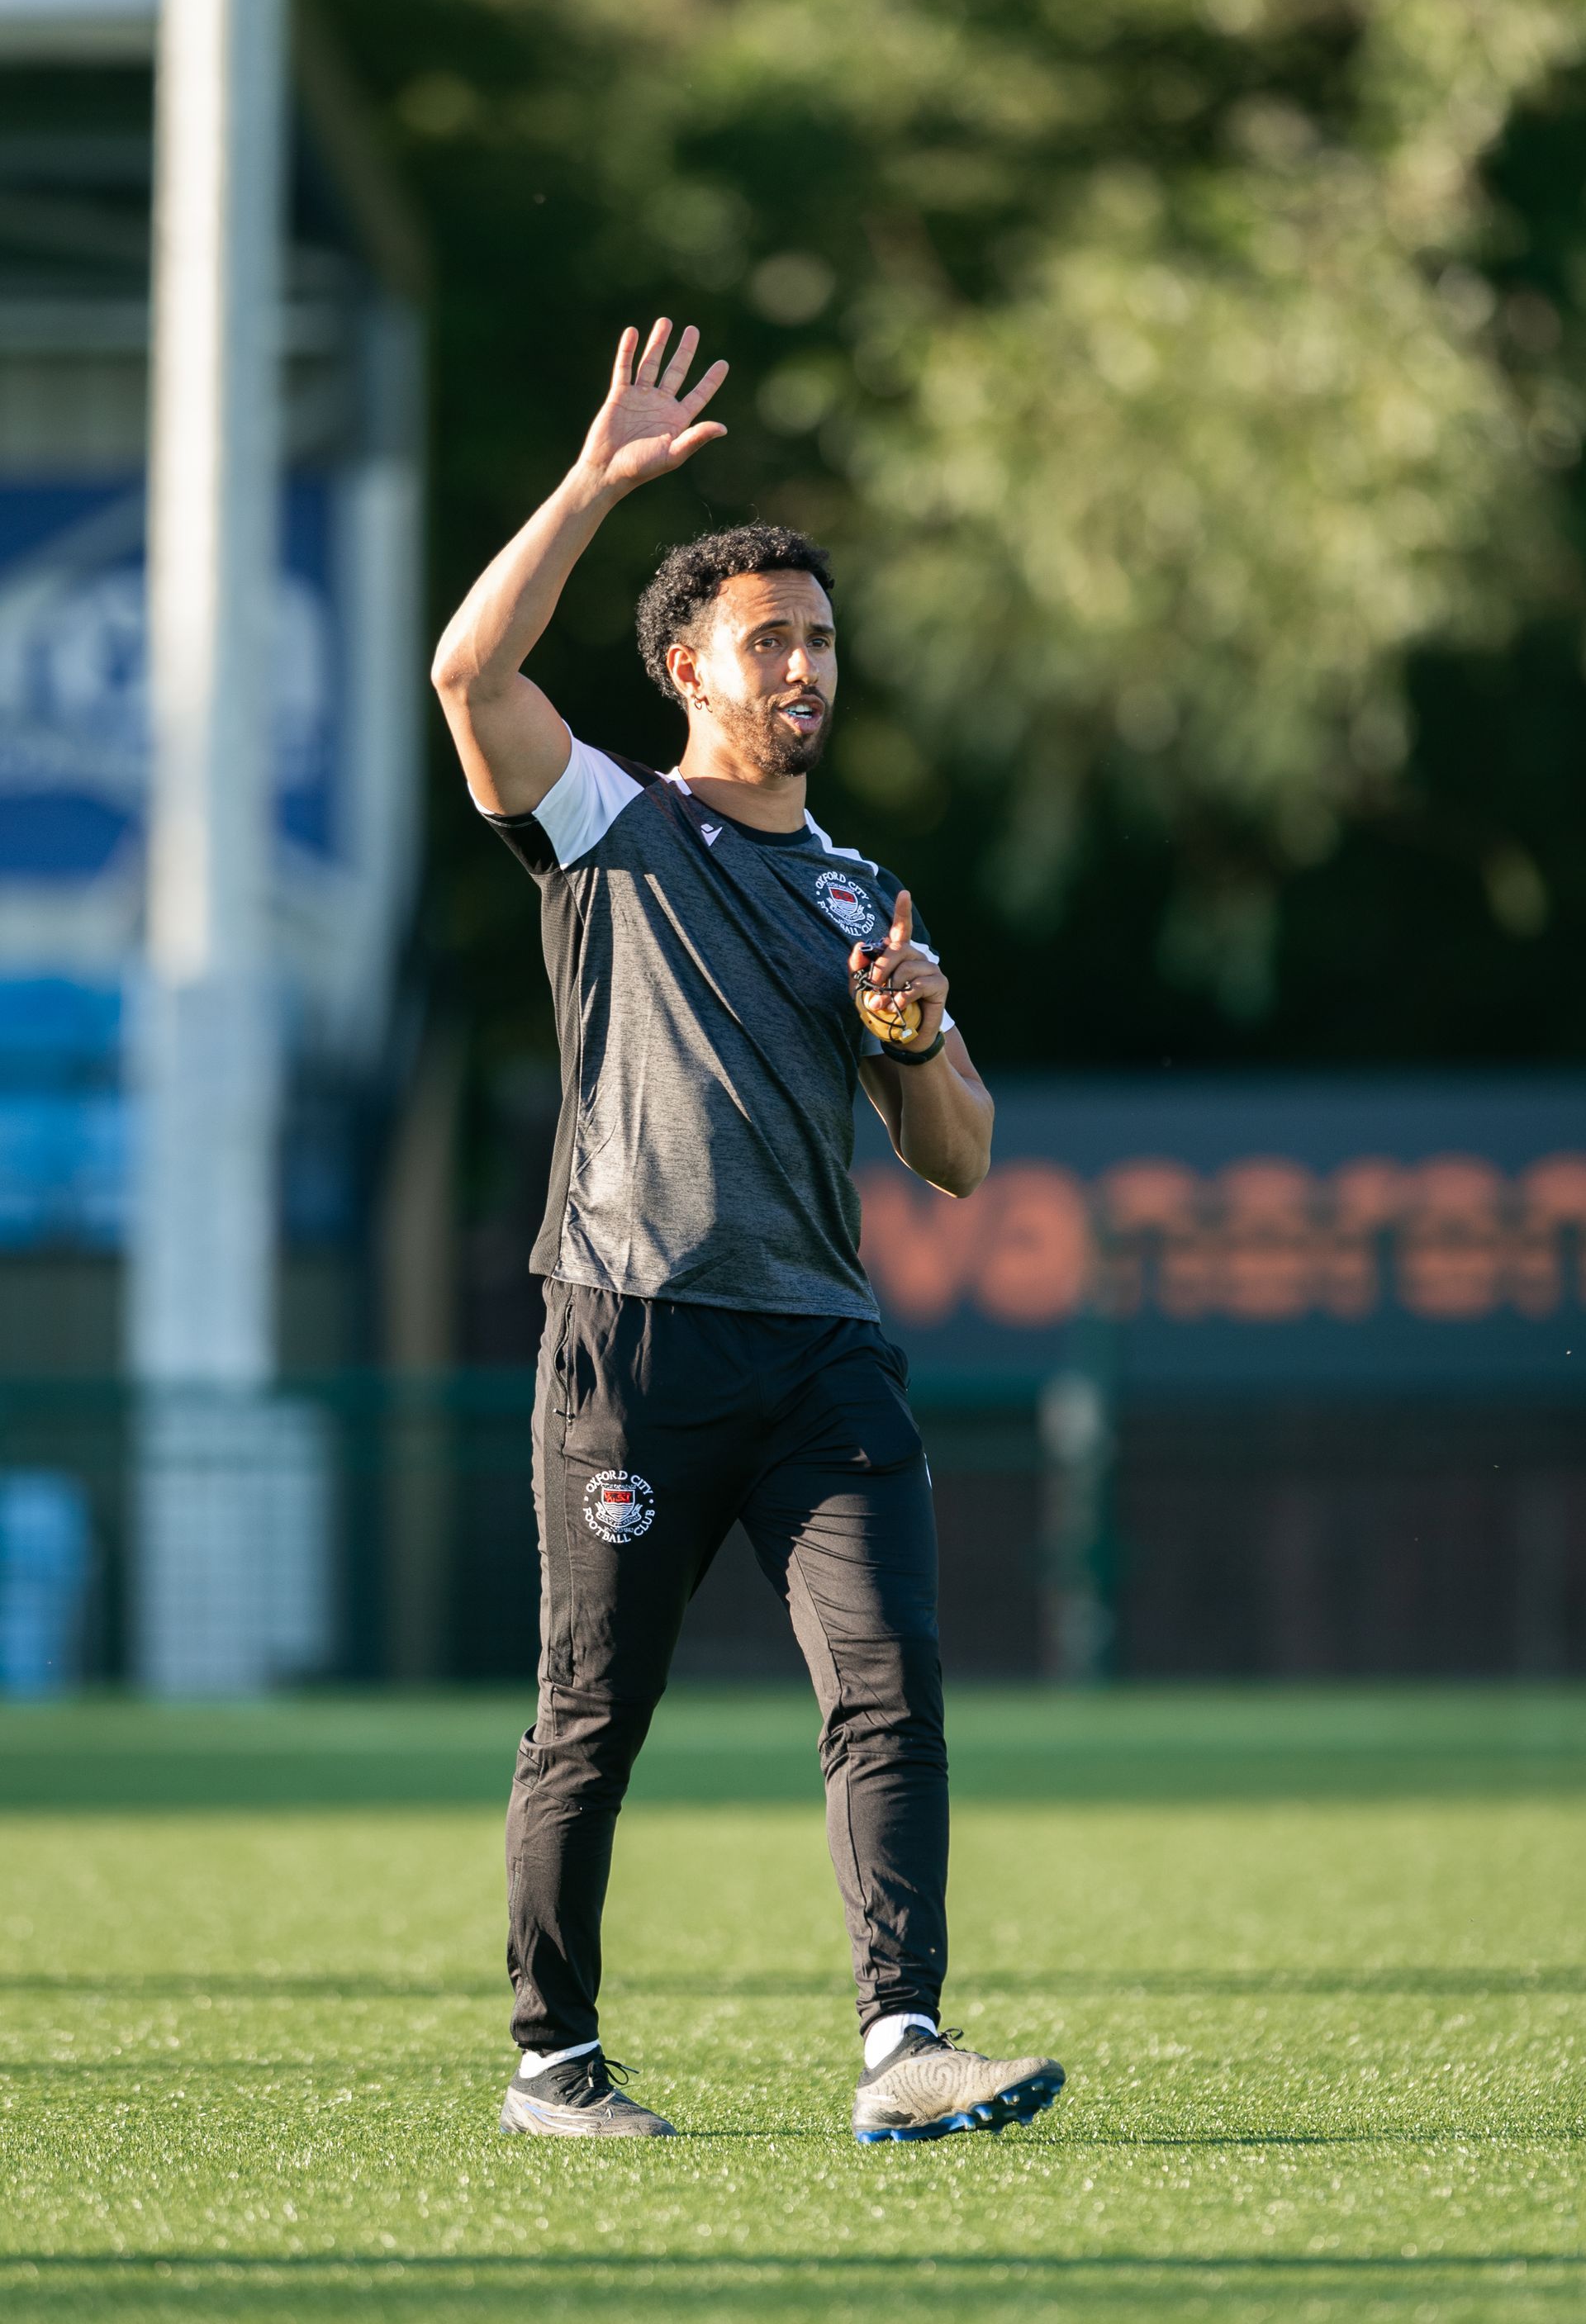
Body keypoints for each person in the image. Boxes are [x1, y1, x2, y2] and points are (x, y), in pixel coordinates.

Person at [431, 318, 1066, 2144]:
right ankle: (553, 2061)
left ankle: (904, 2043)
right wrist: (591, 485)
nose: (806, 663)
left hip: (823, 1346)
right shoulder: (613, 823)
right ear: (690, 670)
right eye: (769, 637)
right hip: (634, 1327)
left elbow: (960, 1157)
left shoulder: (865, 889)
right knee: (591, 1720)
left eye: (823, 637)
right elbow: (470, 666)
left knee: (890, 1689)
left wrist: (920, 1025)